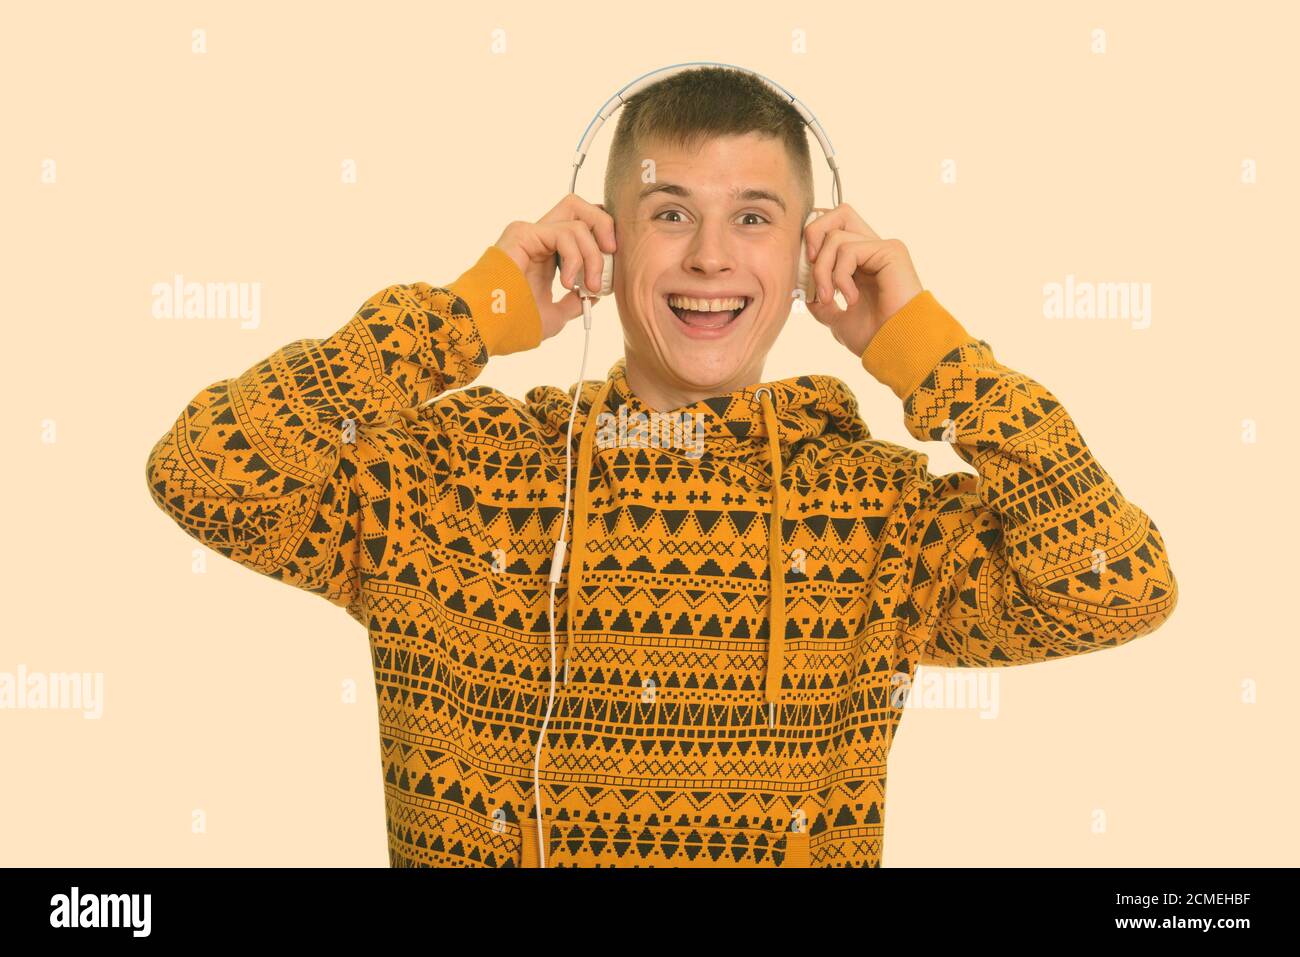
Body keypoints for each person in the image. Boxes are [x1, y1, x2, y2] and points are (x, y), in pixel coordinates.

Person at [144, 66, 1178, 867]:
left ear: (807, 261)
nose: (710, 258)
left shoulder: (880, 518)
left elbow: (1114, 590)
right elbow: (202, 471)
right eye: (671, 211)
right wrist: (458, 318)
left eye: (754, 218)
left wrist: (931, 353)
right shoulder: (447, 481)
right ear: (604, 247)